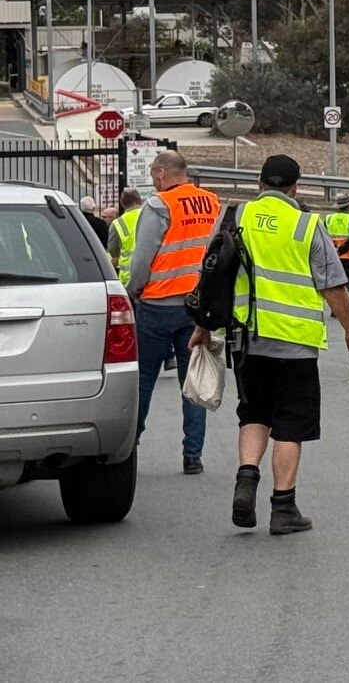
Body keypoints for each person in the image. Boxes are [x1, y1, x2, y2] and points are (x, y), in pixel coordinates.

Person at [190, 154, 349, 535]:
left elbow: (211, 271)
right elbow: (333, 285)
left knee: (253, 412)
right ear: (295, 188)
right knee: (291, 424)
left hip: (247, 341)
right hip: (296, 343)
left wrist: (203, 327)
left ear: (259, 184)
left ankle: (246, 478)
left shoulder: (235, 216)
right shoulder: (306, 224)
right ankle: (283, 508)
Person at [126, 150, 220, 475]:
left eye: (154, 175)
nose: (153, 182)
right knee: (192, 380)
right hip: (196, 308)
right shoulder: (211, 202)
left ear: (164, 173)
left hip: (156, 306)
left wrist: (132, 292)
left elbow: (141, 260)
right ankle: (192, 456)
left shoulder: (158, 205)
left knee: (144, 379)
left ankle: (128, 448)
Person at [107, 187, 143, 285]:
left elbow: (112, 249)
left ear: (122, 203)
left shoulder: (118, 223)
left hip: (128, 278)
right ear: (140, 201)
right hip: (151, 275)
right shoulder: (150, 216)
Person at [325, 194, 349, 285]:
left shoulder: (329, 218)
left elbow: (323, 237)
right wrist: (343, 249)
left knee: (335, 283)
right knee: (345, 284)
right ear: (348, 206)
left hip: (332, 255)